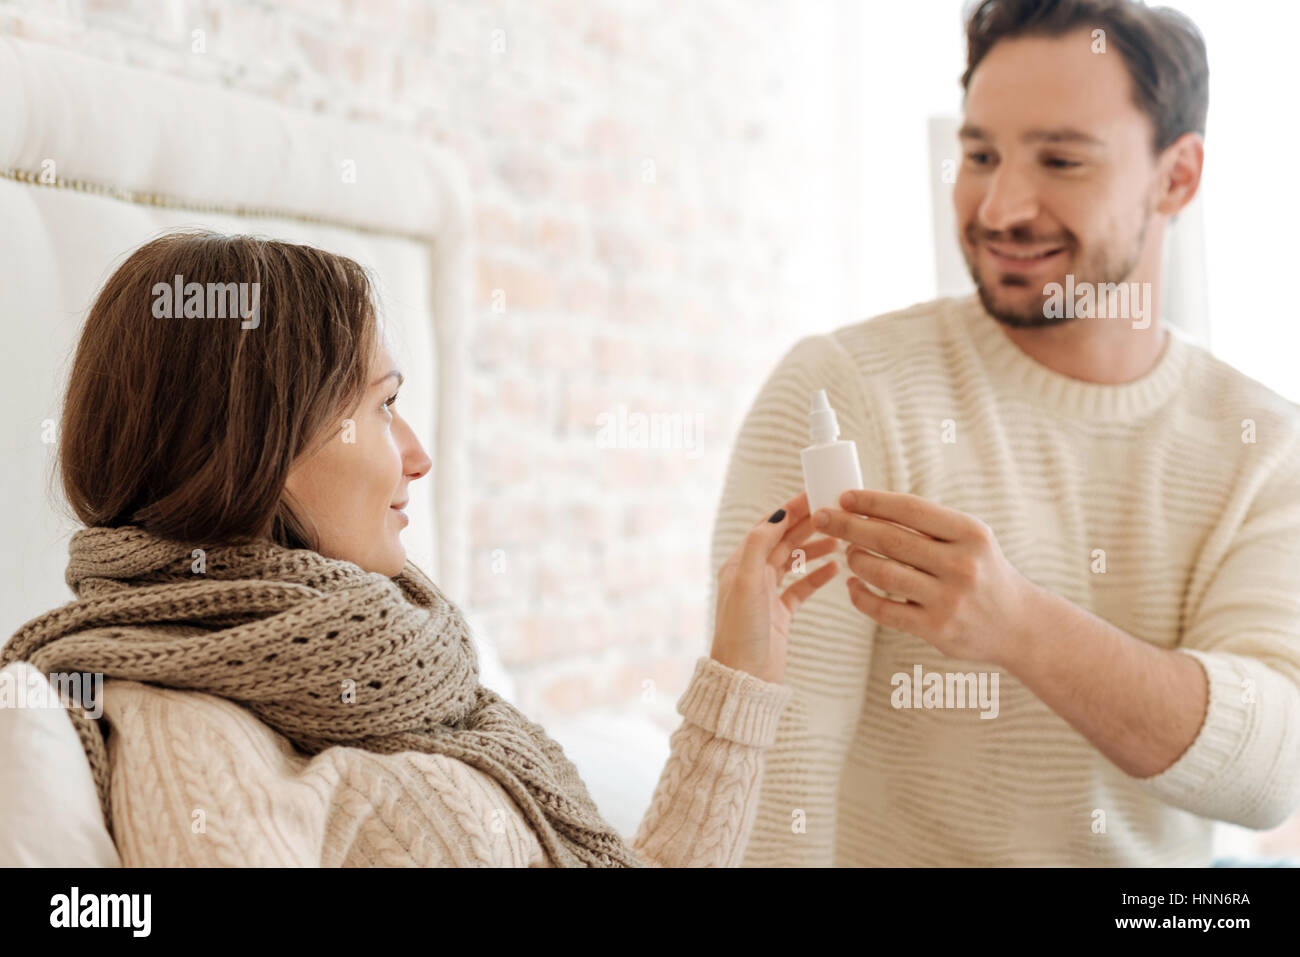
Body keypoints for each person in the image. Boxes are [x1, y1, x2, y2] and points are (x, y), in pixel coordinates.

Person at [0, 230, 840, 867]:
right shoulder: (178, 721)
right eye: (381, 406)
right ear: (255, 445)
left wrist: (742, 671)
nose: (416, 454)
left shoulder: (401, 676)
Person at [715, 0, 1300, 866]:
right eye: (980, 154)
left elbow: (1271, 772)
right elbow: (771, 795)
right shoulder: (845, 392)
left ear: (1177, 178)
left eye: (1061, 159)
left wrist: (1019, 625)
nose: (1000, 206)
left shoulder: (1262, 442)